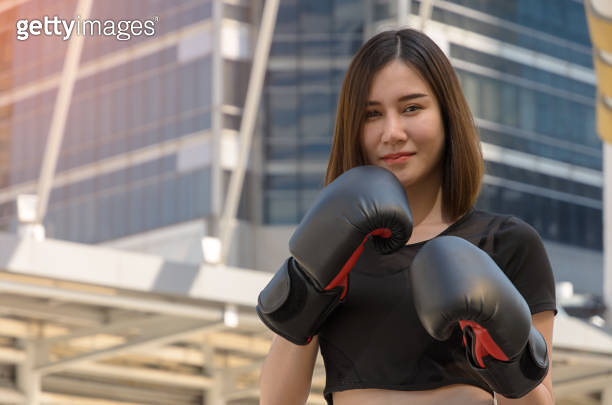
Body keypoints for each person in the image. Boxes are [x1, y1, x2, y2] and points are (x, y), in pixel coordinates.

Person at [257, 28, 556, 405]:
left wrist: (501, 343)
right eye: (372, 114)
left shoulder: (508, 242)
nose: (392, 132)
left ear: (447, 115)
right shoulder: (338, 241)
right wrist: (309, 286)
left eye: (412, 108)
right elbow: (277, 401)